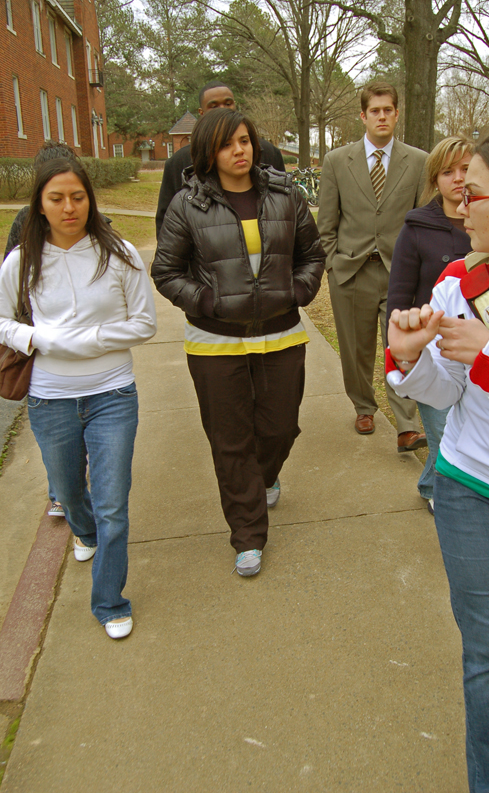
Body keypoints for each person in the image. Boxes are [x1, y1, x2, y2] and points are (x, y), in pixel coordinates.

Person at [386, 121, 489, 792]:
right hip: (470, 486)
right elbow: (446, 392)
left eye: (474, 194)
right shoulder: (462, 279)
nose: (458, 204)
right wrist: (411, 356)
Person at [152, 108, 325, 577]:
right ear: (209, 151)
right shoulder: (186, 206)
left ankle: (264, 475)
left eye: (246, 140)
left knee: (279, 428)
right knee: (231, 440)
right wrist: (205, 300)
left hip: (281, 334)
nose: (240, 150)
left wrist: (298, 291)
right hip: (214, 341)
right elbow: (165, 272)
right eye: (229, 144)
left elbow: (312, 254)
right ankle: (248, 534)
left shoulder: (286, 194)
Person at [0, 157, 157, 639]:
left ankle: (110, 601)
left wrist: (81, 340)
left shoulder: (120, 254)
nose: (69, 207)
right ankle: (83, 531)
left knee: (113, 505)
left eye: (78, 197)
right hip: (50, 400)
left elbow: (145, 323)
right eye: (56, 198)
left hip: (112, 394)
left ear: (90, 199)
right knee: (69, 494)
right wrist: (37, 340)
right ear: (40, 206)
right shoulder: (21, 260)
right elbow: (3, 321)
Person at [2, 140, 113, 520]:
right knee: (57, 426)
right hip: (43, 340)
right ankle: (62, 491)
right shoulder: (25, 222)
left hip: (89, 349)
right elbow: (13, 274)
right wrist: (30, 332)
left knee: (80, 426)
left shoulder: (97, 226)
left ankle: (69, 494)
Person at [317, 80, 428, 451]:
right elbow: (327, 223)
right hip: (351, 271)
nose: (382, 117)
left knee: (401, 347)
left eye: (388, 110)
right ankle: (363, 405)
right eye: (374, 111)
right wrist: (332, 263)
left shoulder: (419, 161)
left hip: (401, 272)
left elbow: (421, 219)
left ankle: (406, 423)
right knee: (355, 347)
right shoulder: (336, 161)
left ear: (397, 114)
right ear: (362, 116)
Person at [387, 136, 473, 512]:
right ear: (434, 180)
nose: (457, 179)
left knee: (467, 433)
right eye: (447, 171)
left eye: (466, 170)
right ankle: (442, 493)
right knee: (443, 434)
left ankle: (428, 481)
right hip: (435, 355)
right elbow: (398, 299)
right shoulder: (416, 227)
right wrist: (401, 354)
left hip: (486, 351)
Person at [155, 81, 286, 238]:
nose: (223, 109)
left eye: (228, 103)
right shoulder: (179, 162)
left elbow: (284, 209)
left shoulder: (267, 152)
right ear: (201, 112)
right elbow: (166, 225)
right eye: (214, 106)